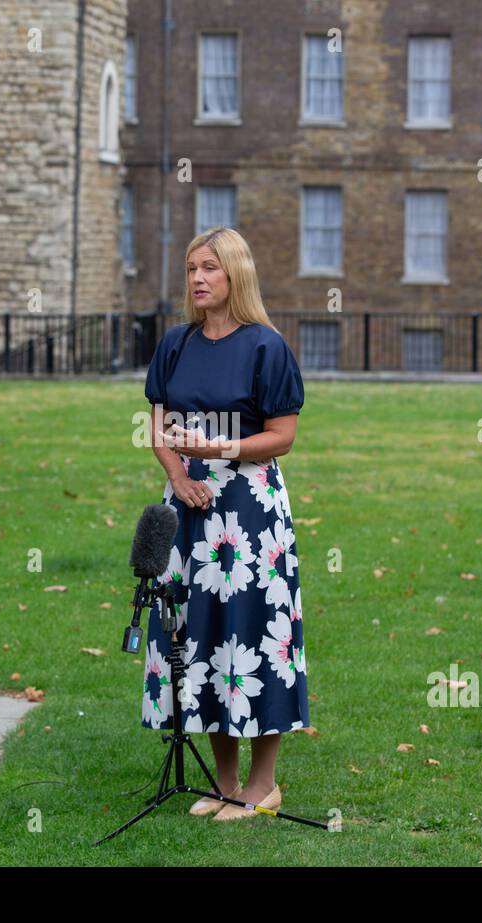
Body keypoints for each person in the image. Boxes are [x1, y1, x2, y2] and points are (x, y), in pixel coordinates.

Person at [141, 227, 308, 822]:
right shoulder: (176, 345)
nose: (197, 278)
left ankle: (263, 786)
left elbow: (282, 436)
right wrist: (178, 476)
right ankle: (225, 782)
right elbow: (157, 428)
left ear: (234, 273)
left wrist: (217, 451)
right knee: (201, 635)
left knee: (252, 634)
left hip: (249, 510)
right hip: (189, 505)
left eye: (209, 267)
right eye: (190, 268)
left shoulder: (266, 346)